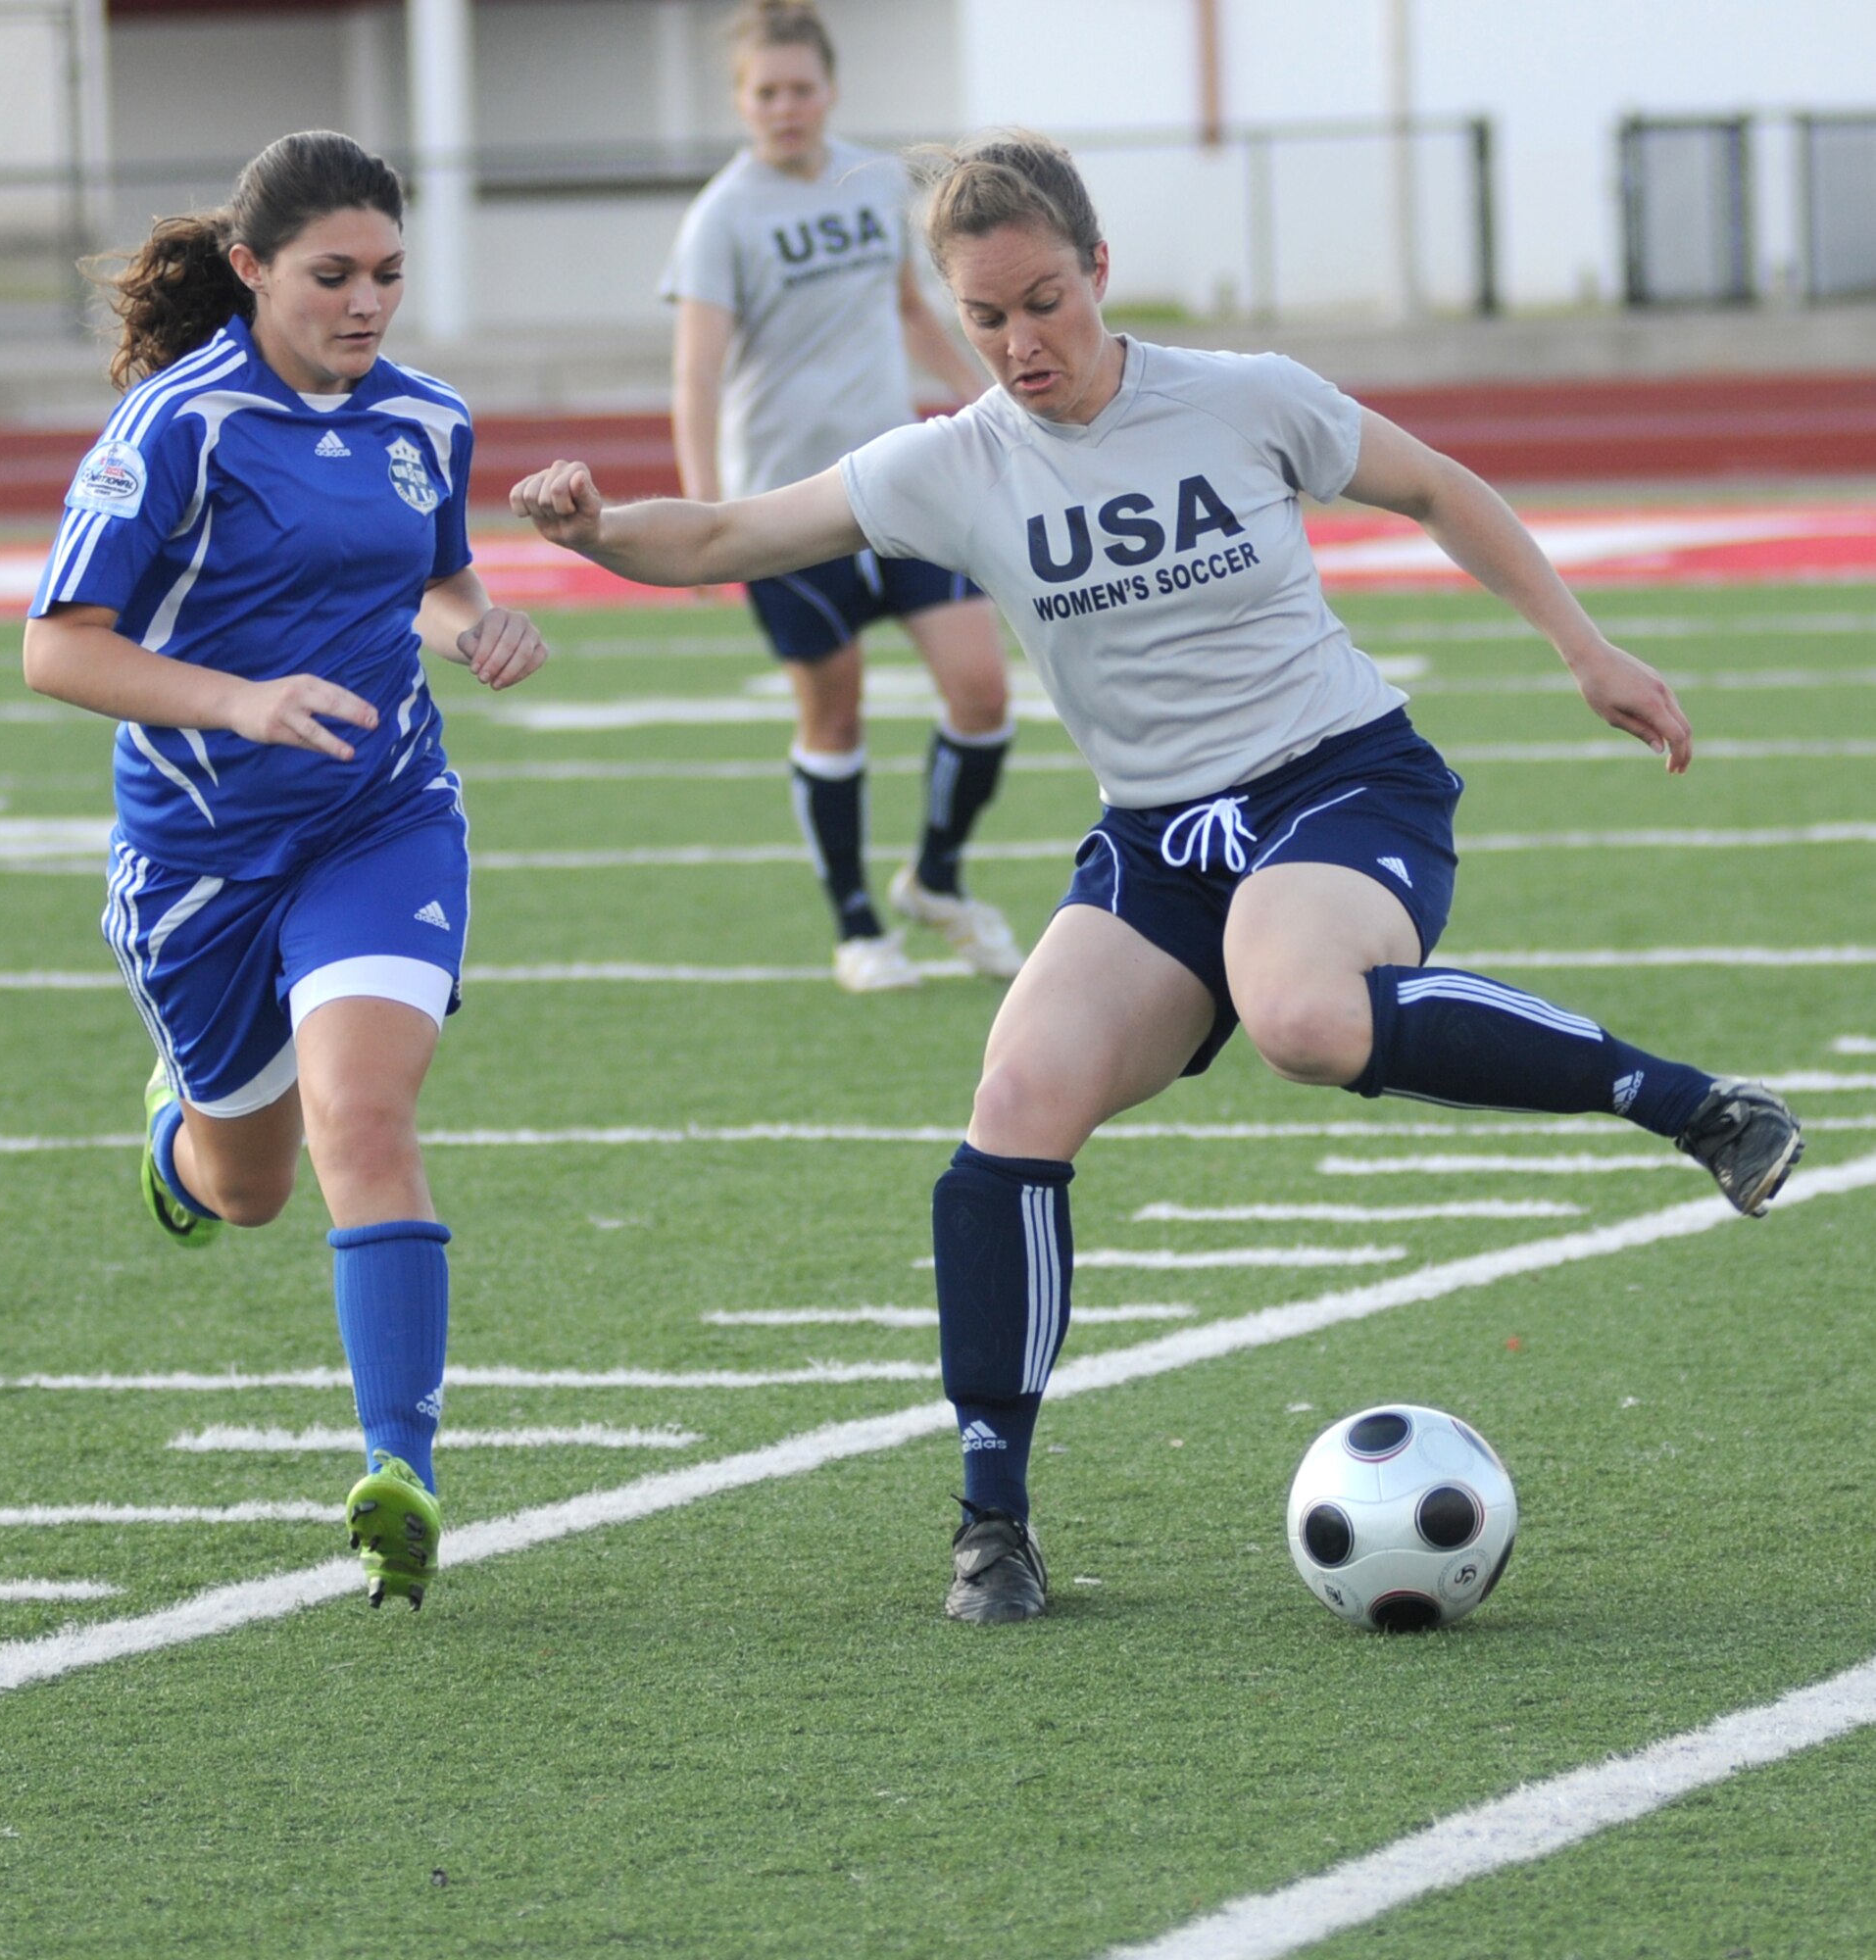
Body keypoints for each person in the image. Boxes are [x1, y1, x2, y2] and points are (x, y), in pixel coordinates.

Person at [512, 130, 1803, 1626]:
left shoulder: (1241, 397)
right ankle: (991, 1523)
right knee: (1012, 1104)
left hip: (1339, 784)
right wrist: (601, 529)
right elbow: (735, 530)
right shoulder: (953, 463)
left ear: (1099, 271)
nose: (1019, 342)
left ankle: (1694, 1105)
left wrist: (1585, 648)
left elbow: (1437, 488)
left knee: (1304, 1013)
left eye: (1043, 301)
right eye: (984, 316)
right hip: (1156, 843)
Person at [23, 130, 550, 1611]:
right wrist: (240, 701)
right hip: (199, 856)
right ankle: (178, 1147)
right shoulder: (176, 428)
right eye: (332, 276)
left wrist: (476, 626)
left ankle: (402, 1473)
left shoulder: (427, 418)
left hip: (379, 816)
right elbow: (56, 647)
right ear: (251, 271)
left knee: (362, 1117)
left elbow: (434, 579)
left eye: (388, 273)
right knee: (245, 1186)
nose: (367, 301)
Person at [662, 0, 1022, 992]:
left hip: (904, 483)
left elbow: (913, 310)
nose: (784, 107)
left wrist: (995, 407)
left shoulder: (871, 186)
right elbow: (694, 375)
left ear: (828, 89)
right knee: (836, 713)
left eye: (800, 88)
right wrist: (702, 516)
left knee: (984, 695)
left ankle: (937, 880)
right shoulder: (720, 217)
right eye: (764, 91)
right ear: (740, 101)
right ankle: (858, 925)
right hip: (786, 508)